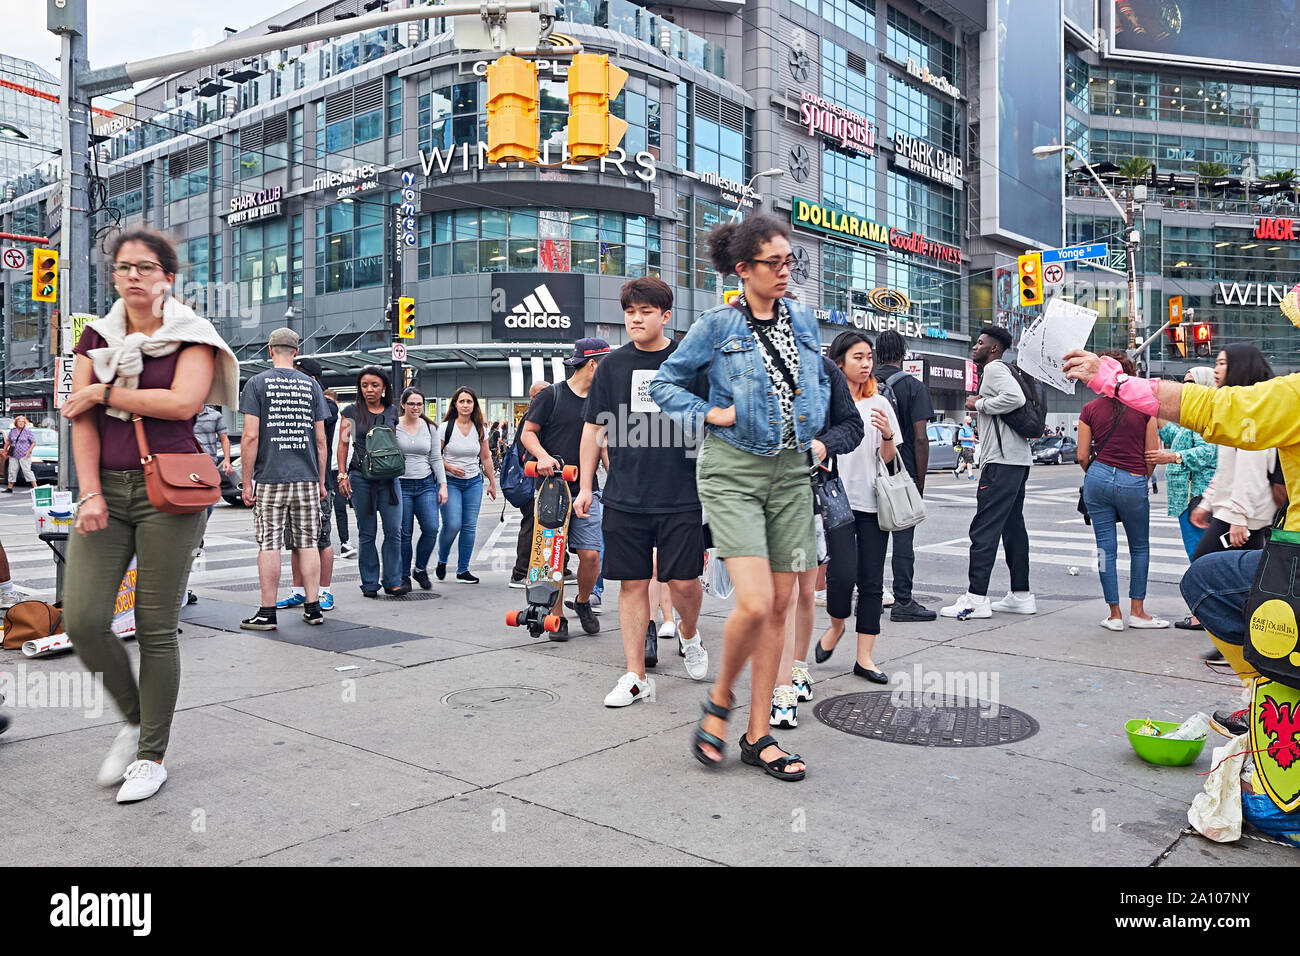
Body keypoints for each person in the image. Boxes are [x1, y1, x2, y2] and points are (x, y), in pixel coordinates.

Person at [61, 228, 239, 803]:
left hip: (170, 492)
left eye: (146, 266)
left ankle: (151, 755)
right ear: (113, 276)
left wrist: (103, 393)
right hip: (106, 493)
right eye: (123, 267)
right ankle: (136, 719)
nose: (133, 275)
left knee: (156, 625)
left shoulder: (192, 334)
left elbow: (184, 403)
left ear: (167, 276)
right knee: (83, 619)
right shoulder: (95, 335)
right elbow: (78, 419)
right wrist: (89, 492)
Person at [650, 212, 828, 781]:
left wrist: (815, 429)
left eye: (788, 260)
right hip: (733, 472)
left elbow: (813, 384)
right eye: (773, 262)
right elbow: (664, 383)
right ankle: (719, 704)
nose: (784, 271)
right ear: (743, 269)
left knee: (779, 606)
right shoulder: (716, 325)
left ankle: (759, 736)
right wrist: (712, 413)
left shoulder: (802, 318)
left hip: (791, 472)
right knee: (752, 603)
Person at [1063, 334, 1300, 744]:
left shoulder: (1276, 399)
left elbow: (1220, 422)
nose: (1214, 371)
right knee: (1175, 562)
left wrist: (1117, 383)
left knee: (1202, 579)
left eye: (1220, 365)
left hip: (1267, 535)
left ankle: (1271, 693)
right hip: (1193, 499)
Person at [576, 278, 708, 706]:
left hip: (682, 493)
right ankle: (634, 675)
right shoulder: (611, 367)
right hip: (625, 497)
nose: (636, 317)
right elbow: (594, 428)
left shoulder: (689, 362)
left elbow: (716, 421)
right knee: (632, 584)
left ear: (665, 316)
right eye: (630, 311)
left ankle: (689, 634)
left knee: (685, 582)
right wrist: (585, 487)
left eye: (646, 311)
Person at [774, 341, 864, 727]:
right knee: (777, 596)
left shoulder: (824, 369)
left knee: (803, 591)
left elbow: (852, 427)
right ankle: (779, 688)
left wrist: (823, 443)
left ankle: (796, 666)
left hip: (809, 492)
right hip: (757, 493)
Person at [813, 330, 900, 686]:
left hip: (872, 501)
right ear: (839, 364)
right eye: (858, 358)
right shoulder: (827, 405)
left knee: (871, 582)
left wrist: (888, 436)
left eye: (869, 358)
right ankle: (835, 626)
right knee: (841, 574)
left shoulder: (881, 403)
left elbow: (890, 459)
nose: (866, 365)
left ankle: (865, 657)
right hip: (836, 503)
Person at [941, 327, 1037, 619]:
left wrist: (978, 403)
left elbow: (1015, 399)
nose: (975, 346)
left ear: (994, 349)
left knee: (983, 529)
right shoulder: (1003, 368)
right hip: (1017, 460)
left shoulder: (994, 369)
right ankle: (1020, 595)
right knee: (1013, 528)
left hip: (1001, 462)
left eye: (980, 343)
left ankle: (976, 599)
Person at [237, 329, 329, 630]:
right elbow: (320, 441)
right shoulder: (311, 387)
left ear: (270, 349)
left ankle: (267, 612)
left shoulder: (256, 384)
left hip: (270, 477)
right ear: (297, 351)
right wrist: (320, 481)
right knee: (307, 543)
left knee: (269, 544)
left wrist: (247, 481)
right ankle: (313, 608)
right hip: (306, 477)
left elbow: (250, 437)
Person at [521, 339, 608, 630]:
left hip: (587, 489)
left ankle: (583, 601)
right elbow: (528, 433)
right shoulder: (551, 395)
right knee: (553, 555)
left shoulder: (602, 401)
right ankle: (555, 614)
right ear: (593, 364)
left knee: (591, 554)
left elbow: (604, 447)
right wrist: (543, 457)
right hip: (551, 490)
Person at [1077, 350, 1166, 630]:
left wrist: (1098, 474)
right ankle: (1138, 612)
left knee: (1105, 549)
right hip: (1133, 478)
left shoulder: (1090, 409)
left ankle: (1114, 615)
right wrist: (1140, 477)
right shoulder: (1145, 407)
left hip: (1098, 477)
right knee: (1140, 547)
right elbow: (1152, 454)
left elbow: (1081, 456)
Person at [1187, 345, 1278, 565]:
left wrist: (1238, 517)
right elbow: (1227, 468)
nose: (1215, 370)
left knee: (1203, 567)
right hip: (1236, 512)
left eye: (1222, 364)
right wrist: (1207, 504)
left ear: (1239, 367)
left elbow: (1252, 469)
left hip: (1243, 515)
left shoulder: (1251, 411)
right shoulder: (1236, 407)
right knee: (1241, 578)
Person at [872, 329, 937, 622]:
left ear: (876, 353)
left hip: (867, 470)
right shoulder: (914, 387)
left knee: (870, 540)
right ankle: (903, 601)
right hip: (902, 472)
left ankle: (869, 599)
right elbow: (921, 438)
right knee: (902, 538)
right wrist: (919, 482)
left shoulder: (865, 385)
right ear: (903, 354)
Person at [1146, 367, 1217, 630]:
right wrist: (1155, 409)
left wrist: (1172, 457)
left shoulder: (1208, 416)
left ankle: (1204, 614)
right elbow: (1173, 435)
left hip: (1198, 496)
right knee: (1197, 555)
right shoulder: (1192, 418)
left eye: (1191, 383)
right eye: (1184, 383)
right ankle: (1206, 612)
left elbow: (1209, 453)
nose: (1186, 388)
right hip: (1187, 498)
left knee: (1201, 556)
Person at [276, 358, 341, 612]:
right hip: (292, 478)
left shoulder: (326, 405)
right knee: (295, 541)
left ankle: (324, 591)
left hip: (318, 483)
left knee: (321, 539)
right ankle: (298, 591)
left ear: (311, 380)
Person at [338, 366, 406, 597]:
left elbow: (392, 441)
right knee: (367, 533)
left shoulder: (392, 411)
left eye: (375, 385)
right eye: (365, 385)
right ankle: (369, 583)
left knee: (394, 531)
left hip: (389, 480)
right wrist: (342, 475)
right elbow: (343, 444)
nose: (369, 390)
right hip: (361, 478)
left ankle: (393, 580)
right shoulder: (351, 412)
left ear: (384, 388)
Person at [436, 385, 498, 584]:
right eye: (461, 401)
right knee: (452, 524)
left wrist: (491, 482)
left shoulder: (480, 428)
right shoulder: (446, 427)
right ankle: (442, 559)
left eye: (469, 401)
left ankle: (463, 570)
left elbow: (486, 457)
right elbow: (435, 456)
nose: (465, 405)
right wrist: (450, 468)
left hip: (473, 482)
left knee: (469, 527)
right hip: (450, 482)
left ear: (474, 405)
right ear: (455, 404)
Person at [396, 386, 448, 589]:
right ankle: (403, 576)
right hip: (401, 483)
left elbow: (436, 458)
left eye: (419, 404)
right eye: (411, 403)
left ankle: (419, 569)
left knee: (432, 528)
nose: (416, 407)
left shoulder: (430, 428)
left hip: (426, 483)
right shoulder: (395, 426)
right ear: (403, 404)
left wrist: (442, 485)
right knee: (405, 532)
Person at [186, 403, 233, 605]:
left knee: (209, 507)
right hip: (185, 470)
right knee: (189, 526)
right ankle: (195, 538)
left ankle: (198, 535)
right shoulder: (183, 412)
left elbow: (224, 438)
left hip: (208, 467)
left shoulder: (214, 415)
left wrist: (228, 461)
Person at [510, 381, 551, 588]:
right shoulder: (532, 418)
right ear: (534, 398)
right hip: (532, 478)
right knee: (532, 522)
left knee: (544, 522)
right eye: (544, 393)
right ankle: (520, 571)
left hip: (536, 478)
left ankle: (562, 566)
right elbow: (525, 448)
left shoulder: (539, 414)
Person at [325, 387, 356, 559]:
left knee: (339, 507)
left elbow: (349, 445)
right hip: (325, 470)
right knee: (324, 508)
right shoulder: (320, 421)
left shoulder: (343, 422)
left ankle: (345, 542)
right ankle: (326, 542)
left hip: (338, 470)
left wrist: (346, 471)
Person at [4, 416, 36, 491]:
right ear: (16, 423)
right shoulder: (12, 431)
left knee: (27, 471)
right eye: (20, 421)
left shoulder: (27, 431)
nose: (21, 423)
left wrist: (29, 451)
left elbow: (33, 442)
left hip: (24, 454)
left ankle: (35, 487)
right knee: (12, 470)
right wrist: (5, 450)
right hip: (14, 454)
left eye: (23, 421)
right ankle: (9, 488)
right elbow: (9, 441)